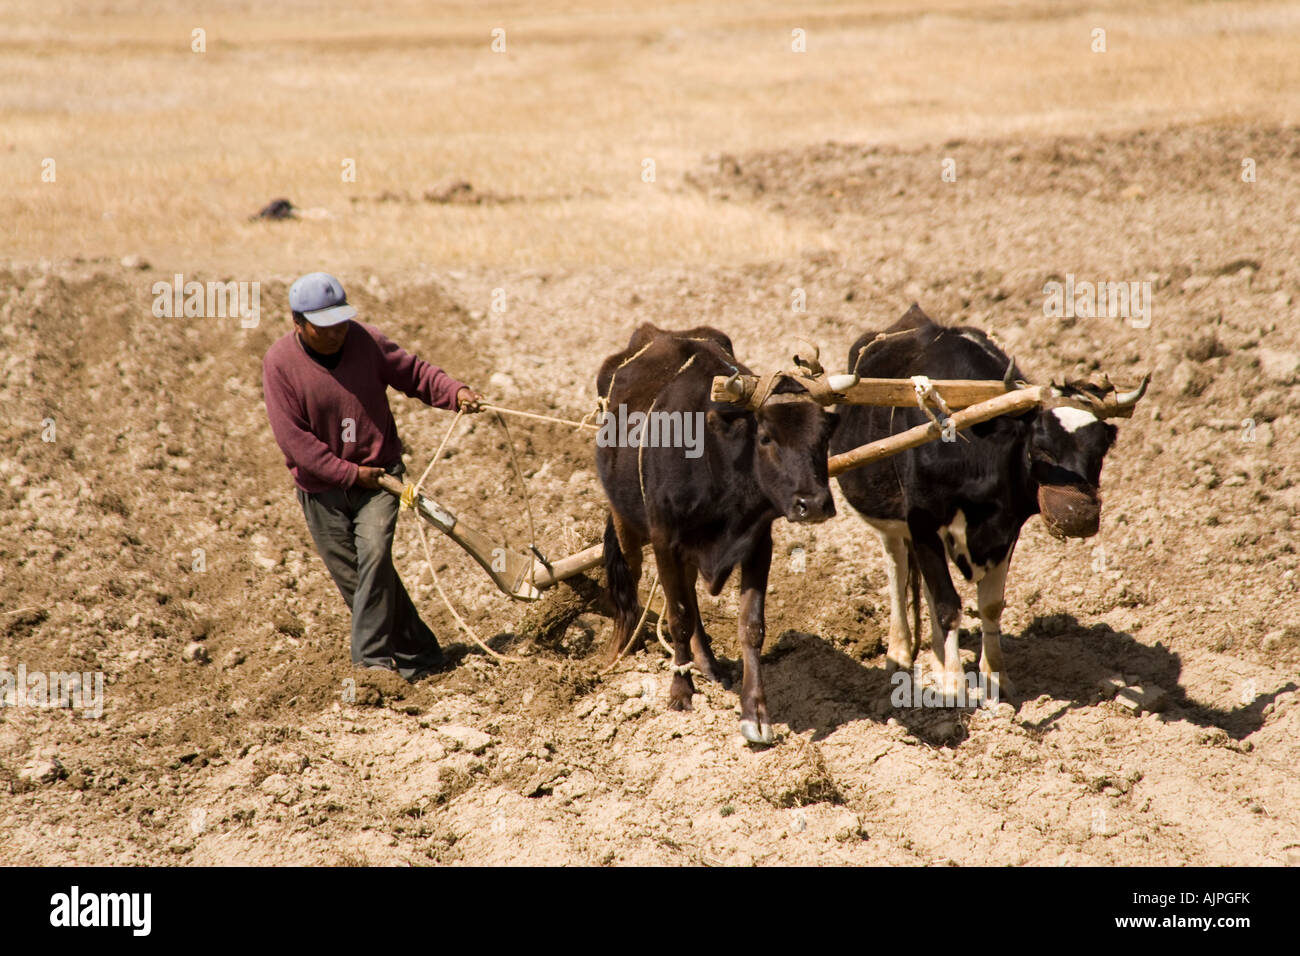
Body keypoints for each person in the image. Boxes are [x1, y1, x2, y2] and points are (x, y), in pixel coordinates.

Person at [262, 272, 482, 680]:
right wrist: (347, 472)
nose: (337, 333)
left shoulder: (365, 341)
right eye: (324, 327)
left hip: (380, 478)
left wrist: (455, 393)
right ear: (298, 323)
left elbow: (413, 373)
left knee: (375, 558)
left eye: (342, 322)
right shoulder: (280, 365)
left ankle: (370, 667)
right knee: (358, 579)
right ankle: (422, 655)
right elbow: (295, 442)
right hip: (323, 489)